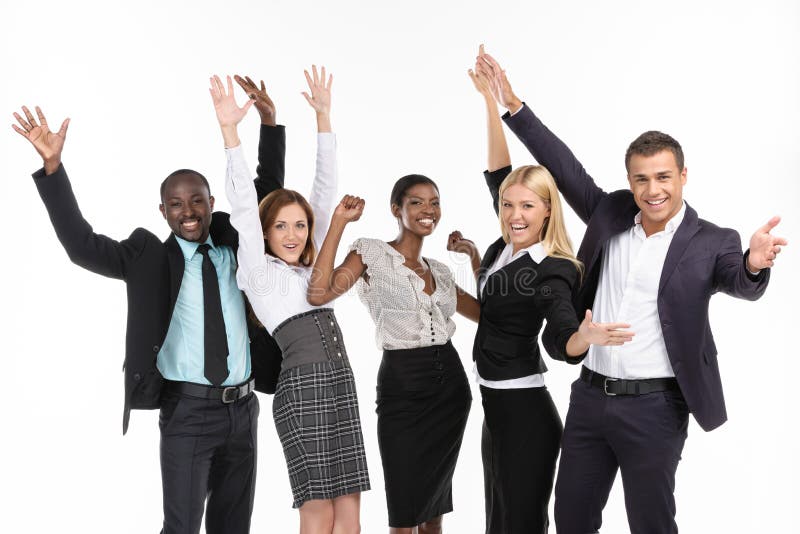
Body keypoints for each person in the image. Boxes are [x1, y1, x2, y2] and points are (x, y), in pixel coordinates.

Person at [475, 48, 786, 534]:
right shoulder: (611, 214)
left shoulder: (712, 242)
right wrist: (511, 103)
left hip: (655, 408)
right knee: (571, 519)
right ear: (630, 182)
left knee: (650, 523)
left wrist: (752, 261)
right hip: (590, 401)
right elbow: (563, 165)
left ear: (683, 176)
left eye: (663, 176)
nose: (653, 189)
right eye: (641, 179)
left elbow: (739, 282)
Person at [13, 76, 285, 534]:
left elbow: (266, 194)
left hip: (242, 411)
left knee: (233, 527)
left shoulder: (238, 246)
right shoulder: (147, 258)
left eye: (197, 200)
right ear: (163, 212)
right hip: (187, 412)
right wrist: (54, 168)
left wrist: (270, 125)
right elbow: (81, 245)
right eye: (176, 204)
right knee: (180, 528)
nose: (189, 211)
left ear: (212, 202)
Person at [440, 51, 633, 534]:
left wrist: (584, 337)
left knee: (521, 525)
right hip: (495, 411)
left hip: (526, 416)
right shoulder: (503, 244)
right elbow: (499, 169)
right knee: (497, 523)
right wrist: (489, 102)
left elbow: (563, 333)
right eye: (507, 205)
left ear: (548, 211)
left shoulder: (554, 267)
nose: (514, 214)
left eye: (527, 205)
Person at [210, 67, 370, 534]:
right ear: (263, 233)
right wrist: (229, 133)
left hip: (341, 381)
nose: (293, 233)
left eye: (299, 225)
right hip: (303, 391)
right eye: (280, 225)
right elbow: (242, 202)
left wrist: (324, 119)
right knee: (318, 512)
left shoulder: (310, 268)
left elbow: (323, 191)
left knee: (351, 514)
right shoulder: (258, 273)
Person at [308, 155, 480, 533]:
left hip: (450, 389)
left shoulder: (439, 271)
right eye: (416, 202)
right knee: (404, 513)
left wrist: (473, 255)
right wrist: (338, 222)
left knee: (434, 509)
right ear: (396, 209)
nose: (427, 210)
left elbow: (487, 314)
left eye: (434, 202)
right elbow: (319, 292)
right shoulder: (371, 253)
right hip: (403, 387)